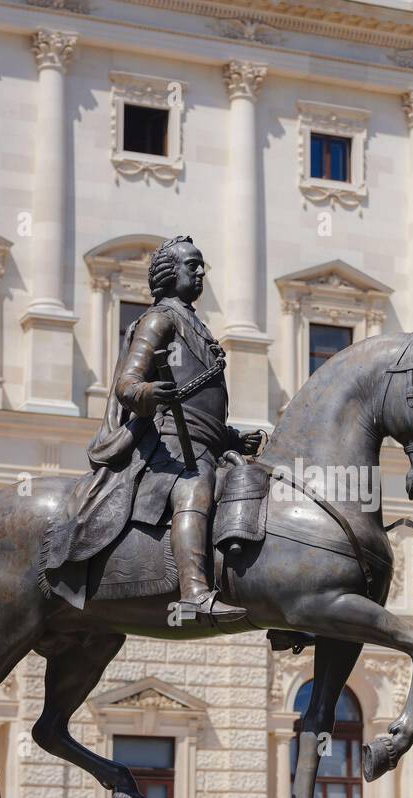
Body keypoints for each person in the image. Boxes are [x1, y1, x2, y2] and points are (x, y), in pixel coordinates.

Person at [40, 236, 261, 622]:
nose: (200, 272)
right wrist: (148, 392)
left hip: (204, 442)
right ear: (169, 273)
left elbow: (202, 409)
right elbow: (128, 383)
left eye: (201, 265)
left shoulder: (198, 328)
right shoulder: (159, 319)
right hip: (169, 447)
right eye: (191, 265)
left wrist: (232, 437)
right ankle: (193, 592)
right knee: (196, 486)